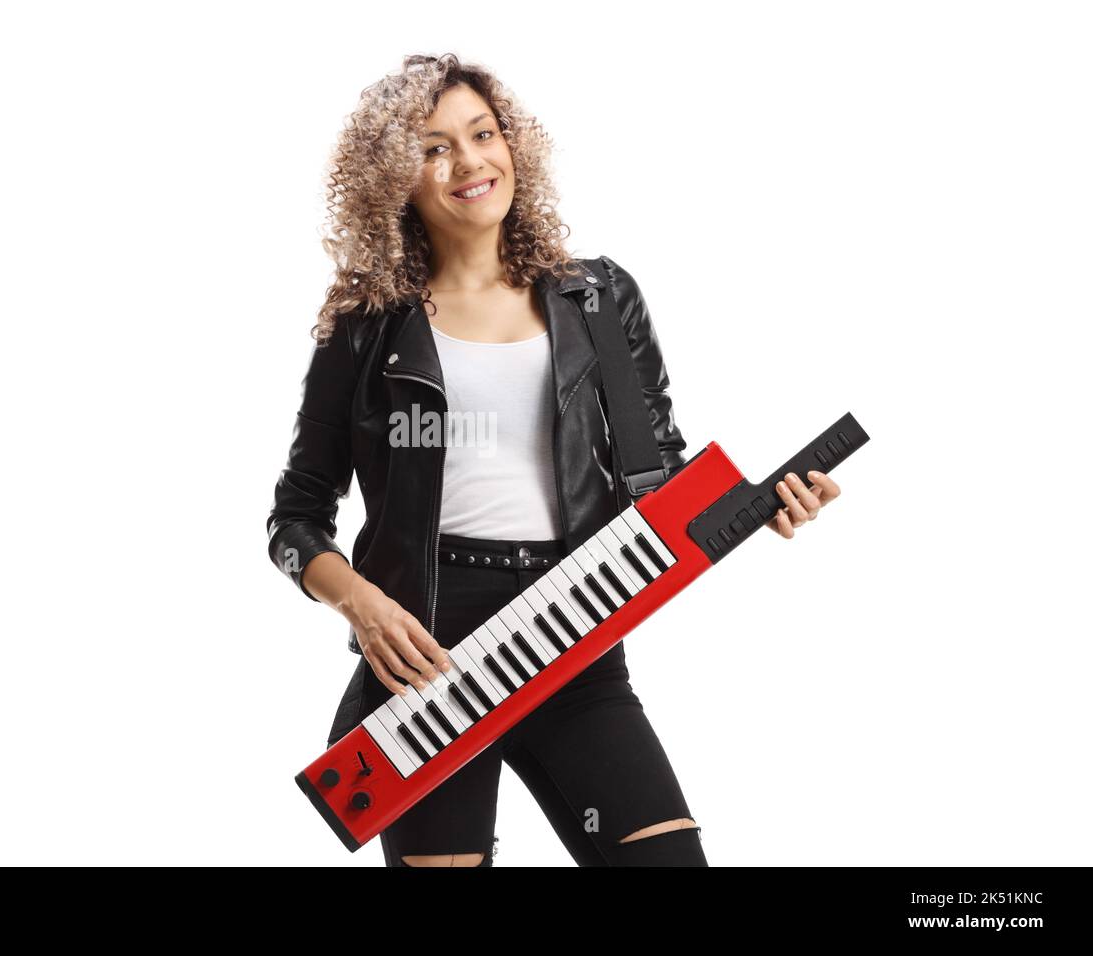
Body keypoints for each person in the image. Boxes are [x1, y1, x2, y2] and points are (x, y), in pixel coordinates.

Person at [266, 53, 842, 866]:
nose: (470, 162)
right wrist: (361, 605)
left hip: (578, 619)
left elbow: (659, 479)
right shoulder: (365, 326)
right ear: (395, 175)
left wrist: (761, 505)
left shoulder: (598, 298)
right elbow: (294, 520)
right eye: (435, 147)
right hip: (427, 655)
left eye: (483, 134)